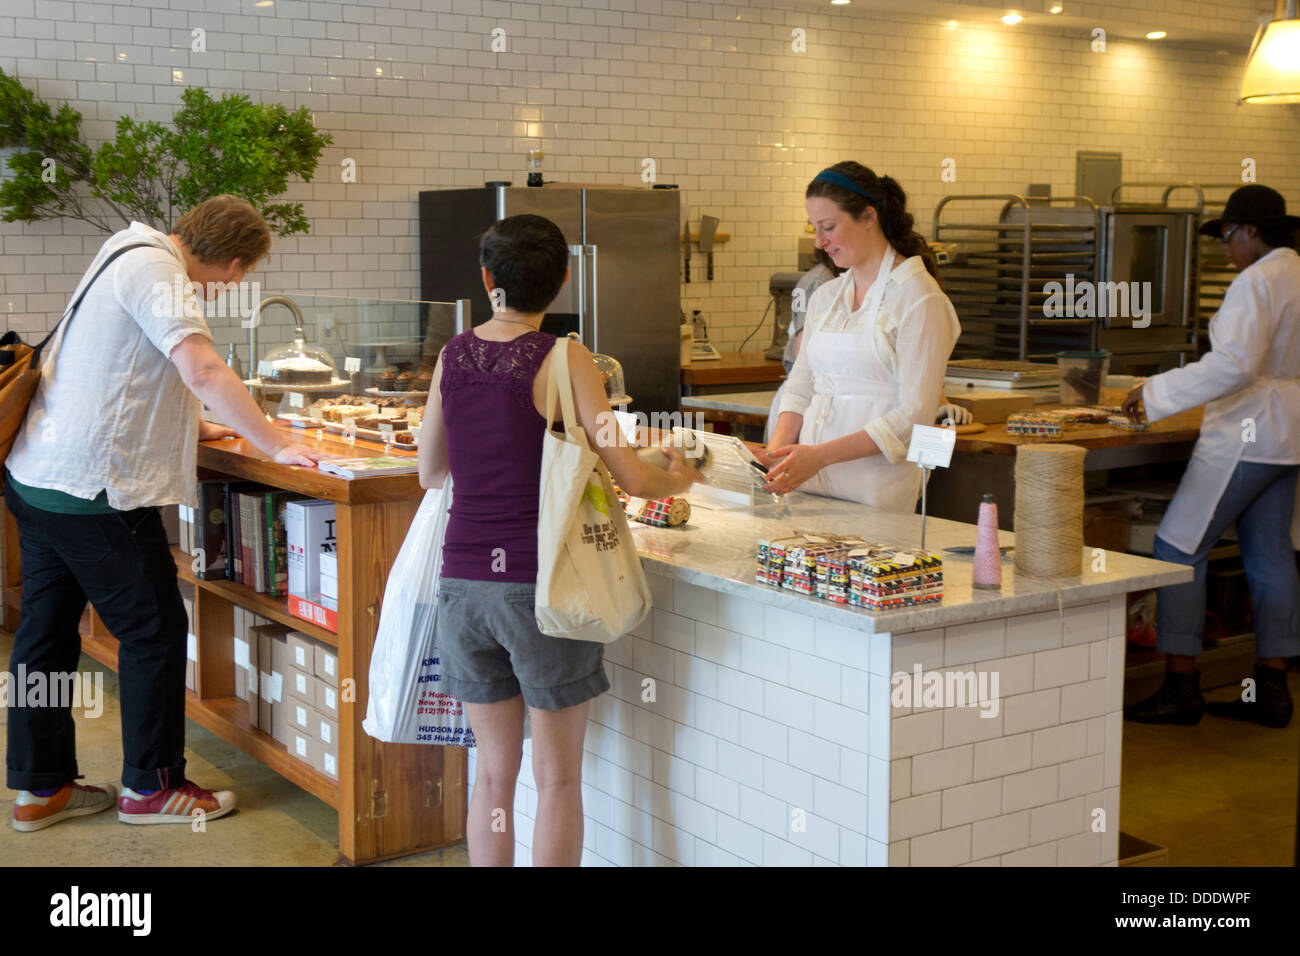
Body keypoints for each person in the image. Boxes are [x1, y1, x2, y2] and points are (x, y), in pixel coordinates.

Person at [5, 195, 334, 832]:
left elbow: (121, 372)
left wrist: (198, 427)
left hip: (39, 480)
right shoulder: (161, 272)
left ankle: (39, 789)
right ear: (233, 263)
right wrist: (277, 443)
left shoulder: (123, 251)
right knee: (154, 632)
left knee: (41, 641)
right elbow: (203, 367)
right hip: (93, 491)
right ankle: (151, 788)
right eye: (238, 276)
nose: (232, 287)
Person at [417, 214, 696, 866]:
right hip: (541, 585)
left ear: (488, 279)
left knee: (491, 776)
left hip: (463, 585)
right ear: (564, 280)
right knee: (558, 779)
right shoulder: (566, 357)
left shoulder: (453, 355)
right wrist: (679, 474)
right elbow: (628, 470)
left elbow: (431, 472)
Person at [1121, 184, 1300, 729]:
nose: (1225, 247)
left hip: (1249, 430)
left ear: (1250, 231)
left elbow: (1235, 366)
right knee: (1270, 553)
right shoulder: (1297, 271)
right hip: (1290, 433)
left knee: (1176, 547)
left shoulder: (1257, 281)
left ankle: (1181, 687)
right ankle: (1271, 688)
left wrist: (1151, 394)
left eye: (1227, 234)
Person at [763, 162, 962, 509]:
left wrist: (820, 456)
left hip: (875, 491)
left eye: (828, 227)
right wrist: (775, 455)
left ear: (869, 217)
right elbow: (799, 388)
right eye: (814, 228)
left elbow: (914, 415)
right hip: (806, 486)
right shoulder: (827, 296)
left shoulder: (919, 298)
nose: (819, 242)